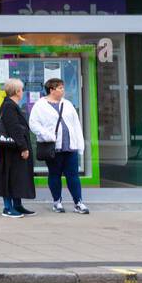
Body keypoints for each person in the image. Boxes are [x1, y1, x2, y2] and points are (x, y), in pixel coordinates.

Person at [29, 77, 89, 214]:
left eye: (63, 87)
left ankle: (78, 202)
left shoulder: (67, 104)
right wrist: (46, 135)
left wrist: (80, 144)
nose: (63, 90)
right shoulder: (40, 105)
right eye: (60, 88)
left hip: (70, 147)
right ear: (52, 89)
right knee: (54, 174)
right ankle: (57, 202)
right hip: (53, 147)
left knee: (73, 175)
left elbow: (76, 124)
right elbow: (33, 123)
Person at [0, 78, 36, 217]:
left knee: (17, 177)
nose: (23, 92)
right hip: (12, 150)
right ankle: (7, 208)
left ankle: (17, 206)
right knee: (10, 177)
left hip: (14, 148)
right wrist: (23, 148)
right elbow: (13, 129)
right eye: (22, 89)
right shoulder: (9, 106)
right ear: (17, 91)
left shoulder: (11, 104)